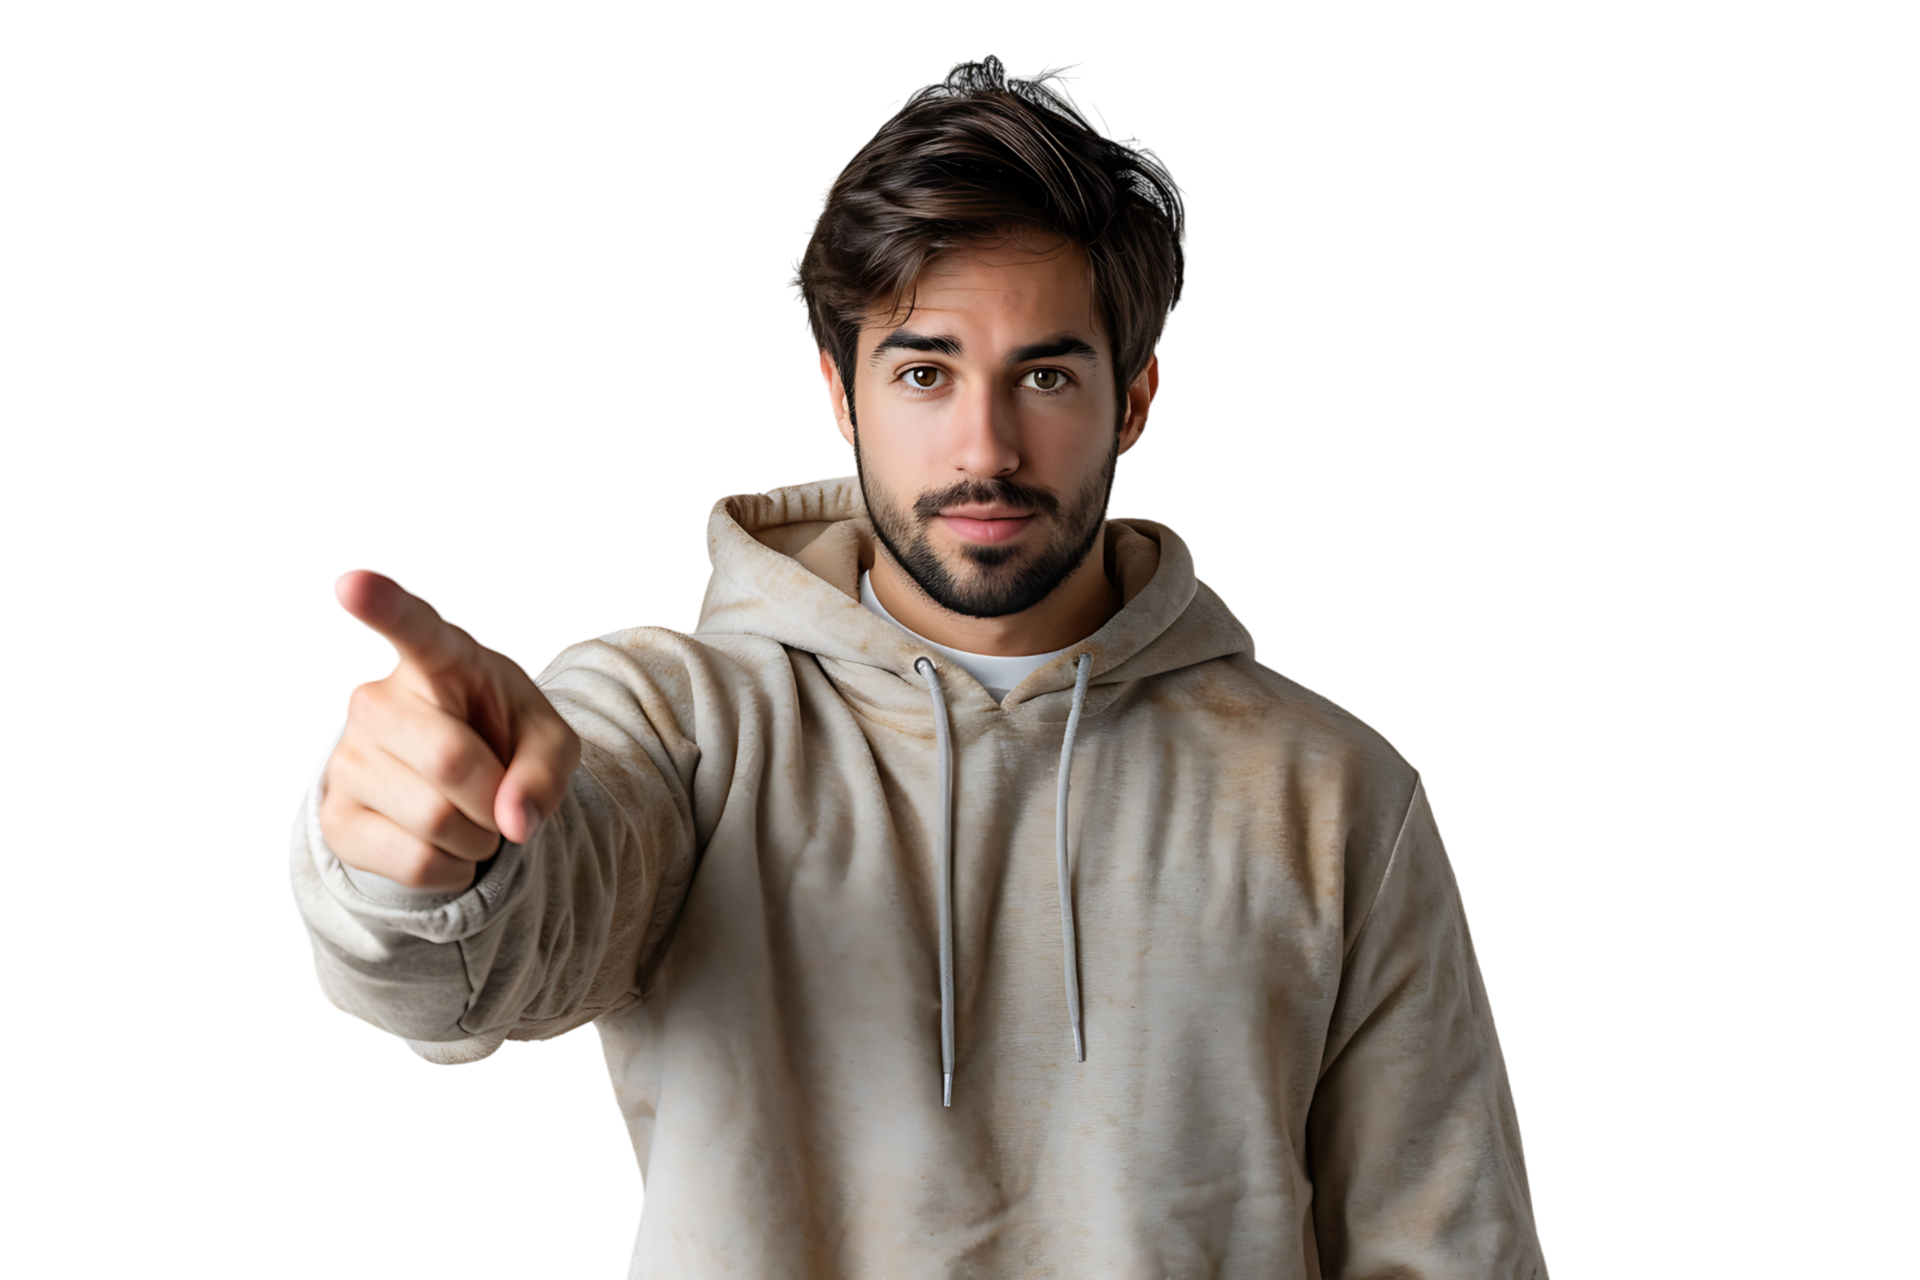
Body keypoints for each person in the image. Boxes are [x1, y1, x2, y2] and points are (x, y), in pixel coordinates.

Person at [288, 53, 1550, 1278]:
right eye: (925, 372)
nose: (984, 447)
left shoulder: (1338, 794)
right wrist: (420, 859)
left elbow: (1449, 1244)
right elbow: (481, 969)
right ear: (841, 395)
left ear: (1134, 400)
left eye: (1044, 373)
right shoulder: (676, 723)